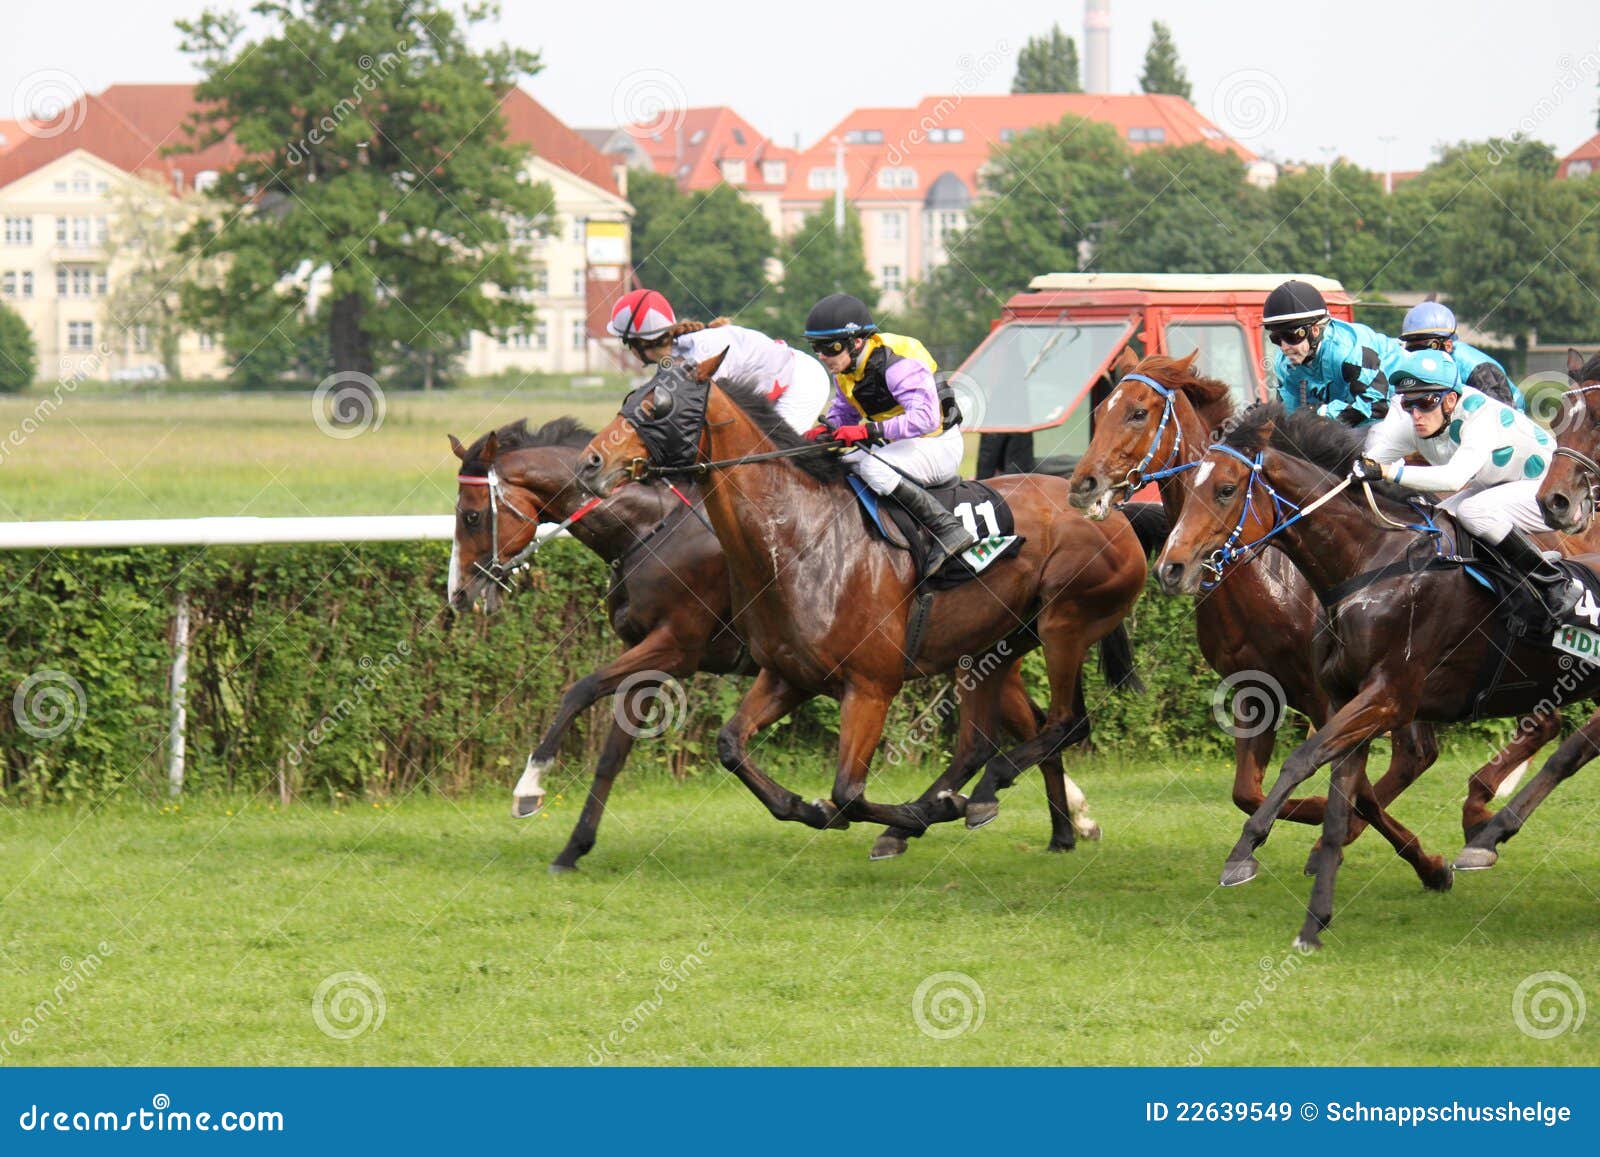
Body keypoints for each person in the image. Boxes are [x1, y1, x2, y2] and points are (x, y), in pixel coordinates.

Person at [1352, 349, 1578, 621]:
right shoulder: (1415, 425)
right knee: (1435, 524)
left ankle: (1552, 584)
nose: (1416, 415)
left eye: (1425, 402)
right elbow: (1367, 463)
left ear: (1449, 400)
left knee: (1472, 511)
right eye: (1407, 404)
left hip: (1547, 489)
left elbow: (1453, 479)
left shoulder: (1480, 416)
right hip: (1498, 486)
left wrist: (1387, 472)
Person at [801, 292, 975, 579]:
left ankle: (948, 529)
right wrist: (827, 430)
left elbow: (925, 418)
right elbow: (845, 412)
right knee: (841, 465)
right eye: (815, 348)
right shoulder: (846, 369)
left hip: (937, 444)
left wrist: (866, 431)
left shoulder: (898, 362)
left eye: (828, 348)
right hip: (902, 446)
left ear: (856, 341)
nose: (822, 356)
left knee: (871, 466)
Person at [606, 288, 830, 434]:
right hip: (778, 382)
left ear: (638, 344)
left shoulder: (699, 354)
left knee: (765, 457)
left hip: (802, 383)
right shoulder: (677, 356)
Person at [1265, 279, 1401, 427]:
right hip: (1359, 412)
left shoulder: (1350, 352)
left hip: (1400, 403)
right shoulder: (1284, 365)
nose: (1284, 347)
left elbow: (1376, 408)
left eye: (1290, 337)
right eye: (1276, 338)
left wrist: (1320, 413)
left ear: (1315, 330)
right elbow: (1291, 416)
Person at [1399, 300, 1524, 410]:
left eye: (1425, 348)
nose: (1420, 356)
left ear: (1448, 345)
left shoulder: (1479, 371)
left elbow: (1502, 416)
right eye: (1412, 349)